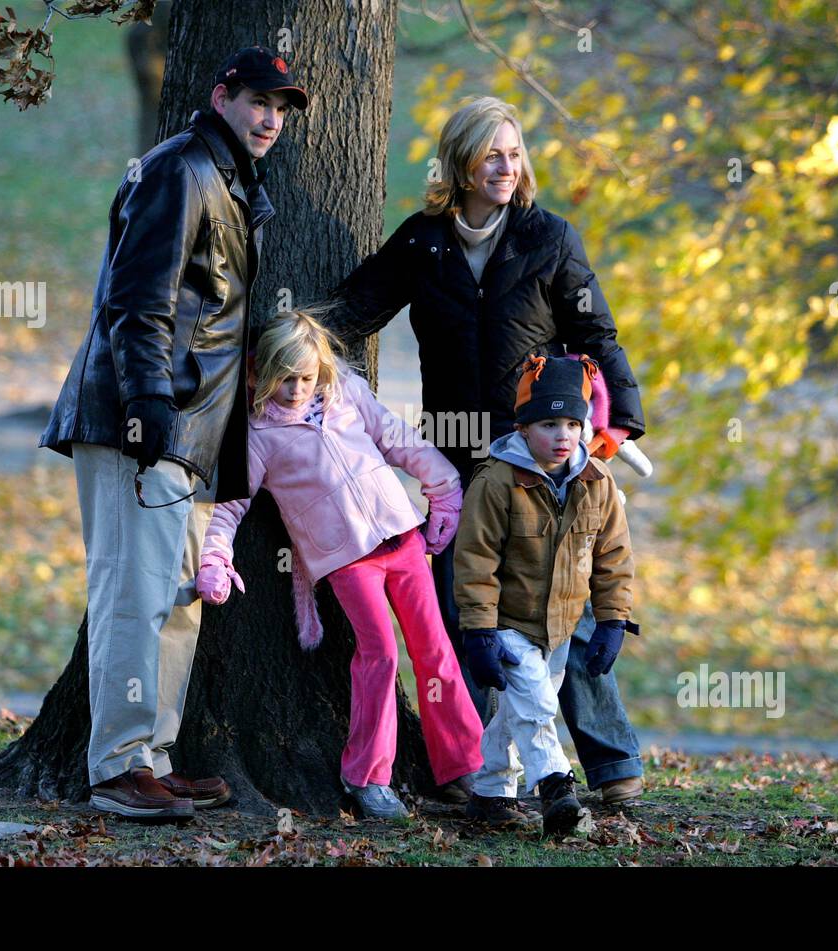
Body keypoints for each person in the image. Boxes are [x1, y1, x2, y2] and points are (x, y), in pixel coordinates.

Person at [326, 95, 648, 804]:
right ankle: (486, 772)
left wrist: (619, 420)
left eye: (515, 153)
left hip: (546, 451)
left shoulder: (549, 238)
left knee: (565, 598)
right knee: (468, 604)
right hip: (460, 456)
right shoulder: (422, 243)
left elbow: (598, 335)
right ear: (461, 165)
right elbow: (353, 309)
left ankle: (612, 761)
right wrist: (287, 340)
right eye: (491, 154)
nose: (507, 167)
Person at [38, 47, 309, 819]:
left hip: (192, 436)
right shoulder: (179, 170)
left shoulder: (230, 181)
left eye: (282, 109)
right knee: (132, 595)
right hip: (142, 425)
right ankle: (118, 768)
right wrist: (150, 409)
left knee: (179, 598)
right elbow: (138, 303)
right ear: (223, 95)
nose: (271, 119)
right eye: (259, 100)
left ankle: (152, 756)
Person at [197, 310, 484, 820]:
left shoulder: (347, 397)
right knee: (380, 654)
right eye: (284, 378)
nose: (295, 389)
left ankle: (464, 765)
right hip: (347, 561)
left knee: (436, 648)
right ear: (259, 372)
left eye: (305, 378)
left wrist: (444, 491)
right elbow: (229, 507)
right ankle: (368, 777)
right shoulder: (258, 436)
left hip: (404, 540)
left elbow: (400, 440)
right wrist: (215, 558)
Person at [454, 355, 637, 835]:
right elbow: (476, 559)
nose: (562, 435)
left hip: (559, 627)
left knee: (516, 713)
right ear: (523, 426)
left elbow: (613, 556)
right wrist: (479, 630)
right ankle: (557, 789)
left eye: (573, 423)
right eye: (548, 423)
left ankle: (490, 795)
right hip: (508, 626)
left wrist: (613, 621)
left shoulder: (596, 481)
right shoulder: (496, 481)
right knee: (537, 707)